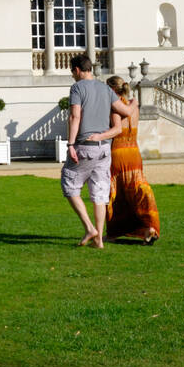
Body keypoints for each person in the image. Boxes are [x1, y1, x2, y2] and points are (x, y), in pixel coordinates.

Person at [61, 53, 132, 248]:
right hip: (104, 148)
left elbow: (75, 117)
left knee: (69, 185)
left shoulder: (77, 87)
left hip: (85, 145)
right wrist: (134, 103)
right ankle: (99, 239)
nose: (72, 76)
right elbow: (126, 112)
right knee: (99, 194)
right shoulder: (105, 88)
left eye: (72, 72)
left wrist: (70, 144)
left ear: (77, 70)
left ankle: (90, 229)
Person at [103, 76, 160, 244]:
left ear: (112, 89)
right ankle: (149, 226)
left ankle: (113, 233)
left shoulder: (115, 106)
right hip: (134, 151)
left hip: (119, 151)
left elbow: (116, 128)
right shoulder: (134, 106)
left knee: (115, 192)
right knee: (138, 188)